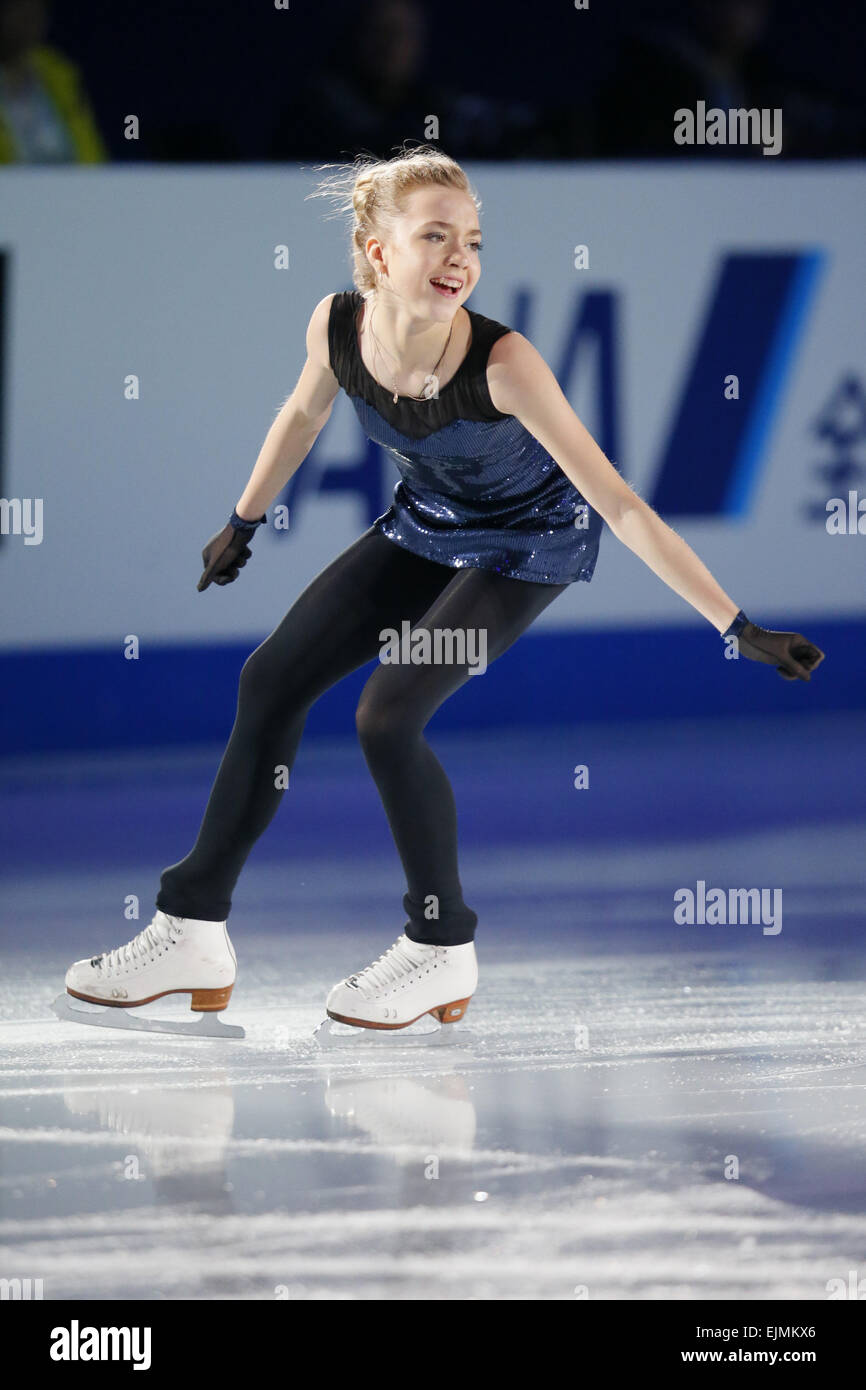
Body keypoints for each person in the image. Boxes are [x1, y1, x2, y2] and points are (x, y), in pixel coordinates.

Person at [61, 146, 824, 1034]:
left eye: (473, 239)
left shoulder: (503, 363)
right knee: (269, 680)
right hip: (426, 525)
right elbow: (304, 413)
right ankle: (192, 927)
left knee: (388, 716)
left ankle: (439, 946)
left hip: (527, 546)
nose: (461, 257)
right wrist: (244, 518)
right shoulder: (337, 328)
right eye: (435, 236)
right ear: (377, 252)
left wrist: (737, 625)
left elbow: (617, 503)